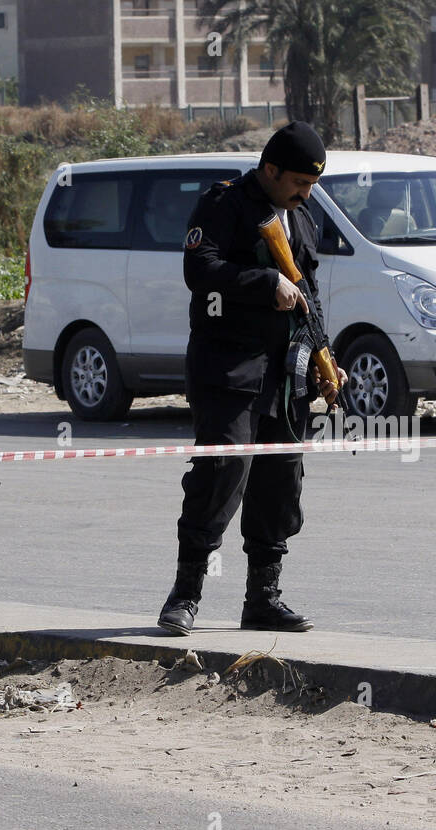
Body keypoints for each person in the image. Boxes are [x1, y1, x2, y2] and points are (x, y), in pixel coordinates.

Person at [157, 121, 344, 636]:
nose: (306, 194)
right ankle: (185, 595)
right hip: (229, 370)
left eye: (312, 185)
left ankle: (262, 599)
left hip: (288, 376)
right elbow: (201, 271)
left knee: (279, 483)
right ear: (270, 169)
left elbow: (311, 293)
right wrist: (264, 283)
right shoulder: (223, 205)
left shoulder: (301, 219)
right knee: (221, 474)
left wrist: (327, 354)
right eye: (299, 183)